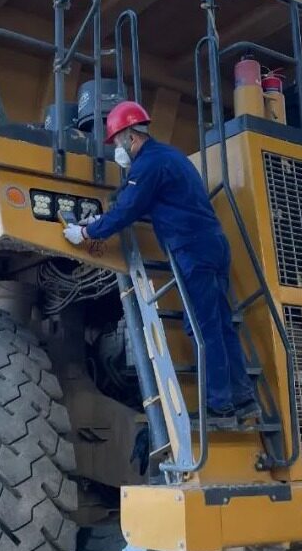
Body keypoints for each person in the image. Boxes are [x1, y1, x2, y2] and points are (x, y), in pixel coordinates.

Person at [63, 100, 259, 422]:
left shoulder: (148, 165)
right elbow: (134, 200)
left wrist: (87, 233)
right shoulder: (171, 156)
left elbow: (127, 210)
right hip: (214, 246)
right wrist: (99, 220)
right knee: (221, 325)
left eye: (116, 142)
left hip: (193, 250)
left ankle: (220, 404)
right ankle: (243, 397)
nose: (116, 150)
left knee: (201, 327)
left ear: (130, 135)